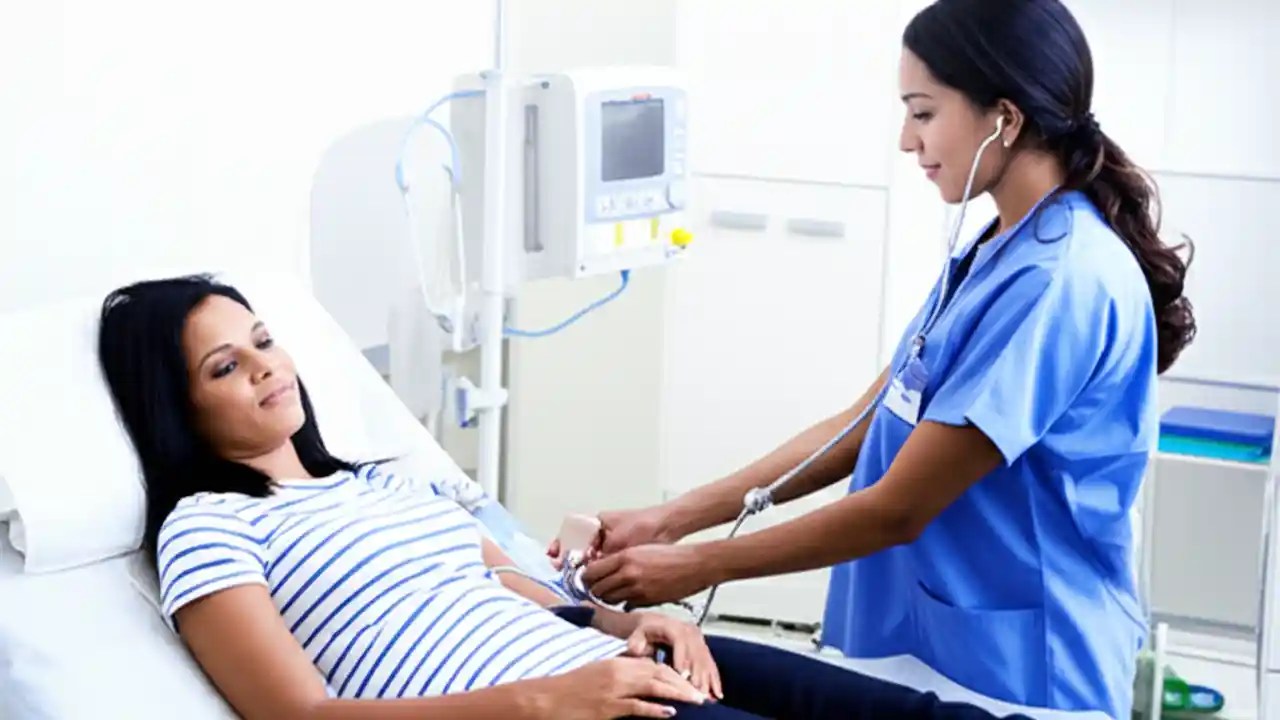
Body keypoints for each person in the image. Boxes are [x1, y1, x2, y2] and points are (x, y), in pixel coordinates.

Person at [565, 1, 1197, 718]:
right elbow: (866, 421)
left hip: (1023, 667)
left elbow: (900, 508)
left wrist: (693, 565)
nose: (906, 140)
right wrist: (671, 520)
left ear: (1005, 118)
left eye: (923, 113)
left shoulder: (1061, 280)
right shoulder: (1001, 245)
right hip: (932, 639)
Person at [95, 273, 1039, 720]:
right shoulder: (210, 526)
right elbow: (299, 719)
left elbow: (527, 594)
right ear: (178, 408)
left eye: (264, 341)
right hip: (557, 711)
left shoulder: (387, 479)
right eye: (226, 366)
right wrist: (544, 702)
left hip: (608, 667)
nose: (267, 367)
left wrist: (630, 622)